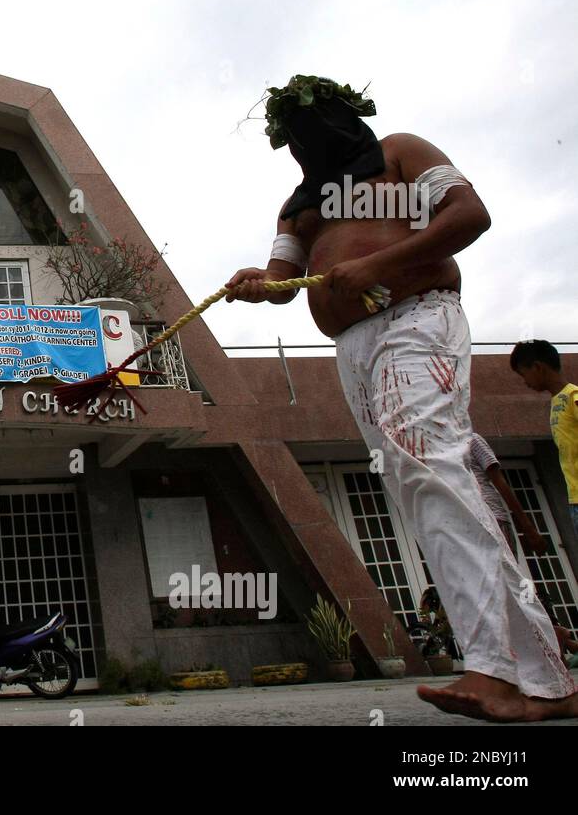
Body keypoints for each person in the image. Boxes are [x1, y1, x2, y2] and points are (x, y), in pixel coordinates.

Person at [226, 75, 576, 721]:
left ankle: (493, 667)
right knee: (424, 485)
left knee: (431, 467)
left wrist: (381, 266)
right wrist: (257, 282)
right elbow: (280, 282)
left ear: (346, 116)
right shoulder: (297, 204)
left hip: (419, 316)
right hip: (353, 346)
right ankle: (543, 677)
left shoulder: (400, 152)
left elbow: (470, 215)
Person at [510, 339, 578, 542]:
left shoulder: (572, 395)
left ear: (538, 367)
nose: (525, 382)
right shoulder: (556, 400)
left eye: (524, 374)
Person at [465, 432, 548, 555]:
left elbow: (499, 481)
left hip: (492, 518)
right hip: (464, 522)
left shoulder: (471, 440)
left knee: (506, 570)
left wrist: (528, 528)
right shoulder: (437, 449)